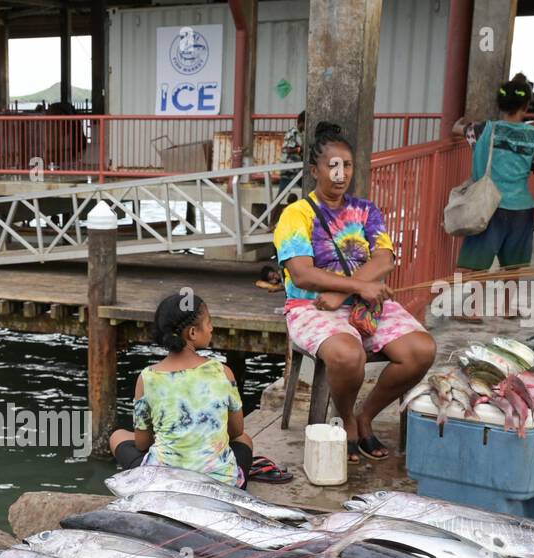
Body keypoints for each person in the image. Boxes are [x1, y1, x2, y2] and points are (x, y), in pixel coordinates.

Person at [272, 122, 436, 464]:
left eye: (346, 165)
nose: (340, 173)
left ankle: (366, 415)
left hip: (363, 304)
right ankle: (345, 418)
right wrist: (358, 286)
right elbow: (302, 273)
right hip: (311, 305)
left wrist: (349, 293)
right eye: (332, 166)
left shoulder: (365, 210)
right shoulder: (296, 214)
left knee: (421, 350)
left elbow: (385, 257)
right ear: (314, 170)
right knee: (348, 356)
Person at [109, 292, 287, 486]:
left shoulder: (147, 377)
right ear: (193, 333)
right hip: (221, 485)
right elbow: (236, 431)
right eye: (209, 322)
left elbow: (142, 443)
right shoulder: (223, 372)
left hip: (162, 485)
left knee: (117, 436)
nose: (211, 328)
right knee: (245, 440)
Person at [451, 78, 534, 315]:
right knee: (515, 263)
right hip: (521, 207)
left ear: (500, 104)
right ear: (526, 106)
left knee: (479, 262)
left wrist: (461, 122)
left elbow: (457, 129)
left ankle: (472, 310)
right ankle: (507, 308)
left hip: (488, 205)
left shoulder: (485, 129)